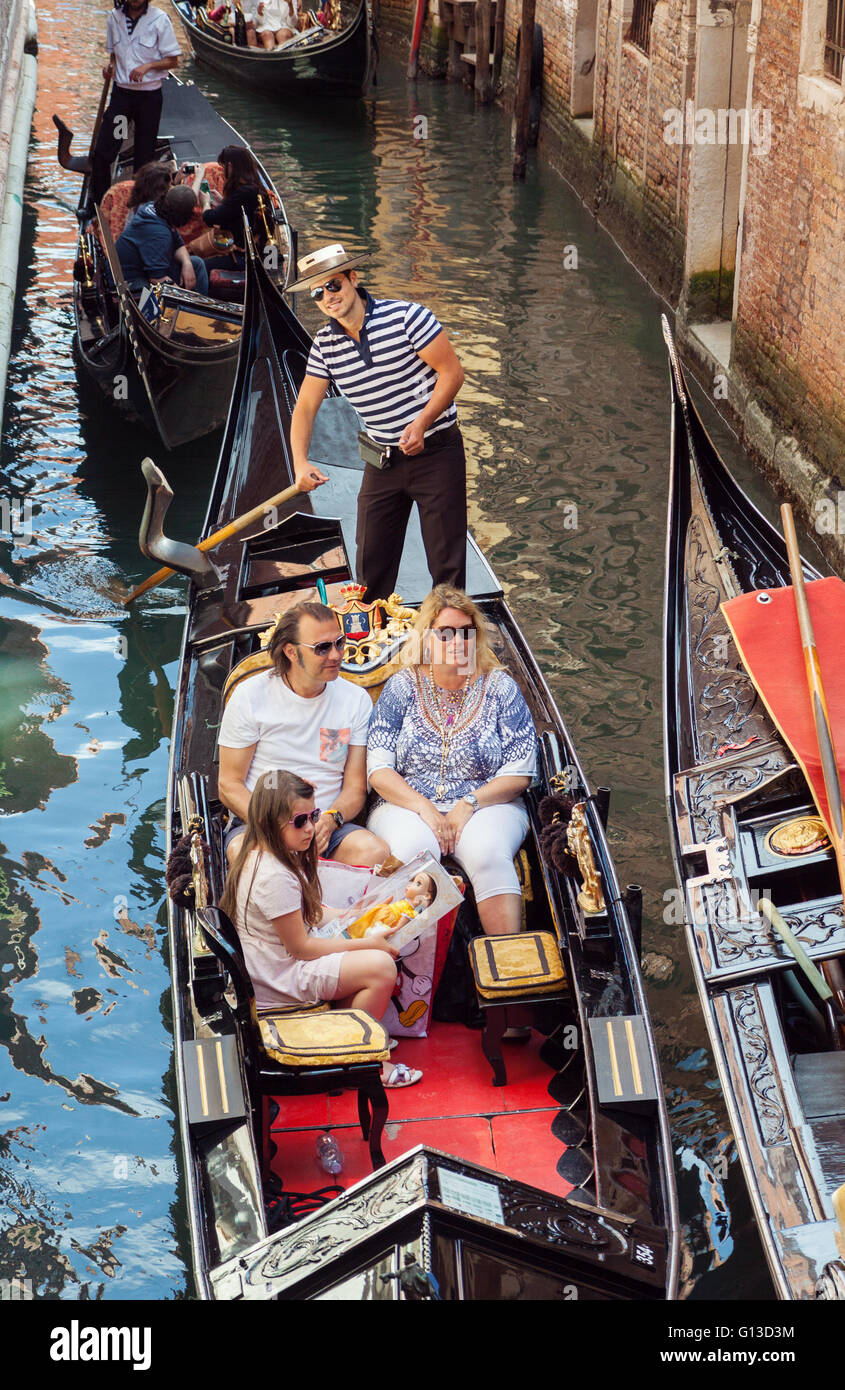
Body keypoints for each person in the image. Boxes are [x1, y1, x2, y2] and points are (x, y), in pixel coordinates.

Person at [219, 770, 422, 1087]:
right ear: (272, 822)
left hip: (281, 966)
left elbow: (308, 916)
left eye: (313, 816)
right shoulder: (273, 874)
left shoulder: (274, 854)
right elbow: (302, 949)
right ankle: (368, 1065)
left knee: (366, 940)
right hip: (280, 982)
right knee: (381, 967)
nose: (311, 828)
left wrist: (356, 914)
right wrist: (369, 944)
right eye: (300, 821)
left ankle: (345, 1037)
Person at [288, 245, 468, 604]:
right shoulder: (324, 345)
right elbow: (306, 407)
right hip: (380, 459)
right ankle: (370, 644)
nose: (327, 297)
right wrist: (300, 463)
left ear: (354, 279)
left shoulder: (407, 318)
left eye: (333, 285)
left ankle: (454, 649)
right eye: (317, 292)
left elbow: (452, 373)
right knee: (370, 562)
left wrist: (421, 422)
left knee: (447, 566)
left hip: (436, 452)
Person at [366, 586, 538, 936]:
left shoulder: (501, 688)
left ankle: (507, 962)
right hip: (406, 805)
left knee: (489, 853)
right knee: (414, 853)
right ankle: (392, 965)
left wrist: (468, 804)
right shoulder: (402, 687)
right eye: (446, 633)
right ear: (427, 638)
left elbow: (520, 773)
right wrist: (425, 808)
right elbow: (379, 770)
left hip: (489, 804)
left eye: (466, 632)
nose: (457, 642)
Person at [218, 600, 390, 868]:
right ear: (291, 652)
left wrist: (331, 820)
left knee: (374, 852)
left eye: (339, 643)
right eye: (322, 648)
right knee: (254, 860)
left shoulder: (355, 700)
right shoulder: (251, 696)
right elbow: (229, 786)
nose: (336, 655)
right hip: (263, 822)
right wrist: (276, 827)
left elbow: (355, 789)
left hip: (325, 827)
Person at [90, 0, 182, 209]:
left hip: (148, 99)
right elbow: (114, 53)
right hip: (123, 99)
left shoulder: (159, 19)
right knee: (106, 151)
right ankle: (99, 205)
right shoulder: (115, 18)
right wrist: (111, 67)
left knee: (144, 156)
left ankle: (139, 207)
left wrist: (148, 66)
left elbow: (173, 60)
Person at [116, 184, 209, 295]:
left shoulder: (152, 207)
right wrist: (186, 296)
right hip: (128, 281)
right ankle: (195, 308)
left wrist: (187, 263)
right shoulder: (160, 234)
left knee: (196, 263)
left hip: (143, 270)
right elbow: (156, 279)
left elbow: (178, 244)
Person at [192, 145, 262, 272]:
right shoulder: (254, 187)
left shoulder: (243, 192)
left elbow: (209, 218)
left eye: (223, 167)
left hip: (240, 256)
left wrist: (206, 203)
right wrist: (222, 202)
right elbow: (235, 212)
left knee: (196, 264)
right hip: (248, 251)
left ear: (230, 166)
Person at [347, 871, 436, 939]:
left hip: (386, 922)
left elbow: (397, 929)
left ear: (426, 895)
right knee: (363, 923)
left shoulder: (410, 913)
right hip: (382, 913)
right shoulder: (403, 903)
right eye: (412, 882)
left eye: (417, 883)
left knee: (372, 931)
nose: (409, 886)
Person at [124, 159, 172, 226]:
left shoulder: (138, 203)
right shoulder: (153, 212)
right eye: (169, 185)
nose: (171, 187)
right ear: (160, 190)